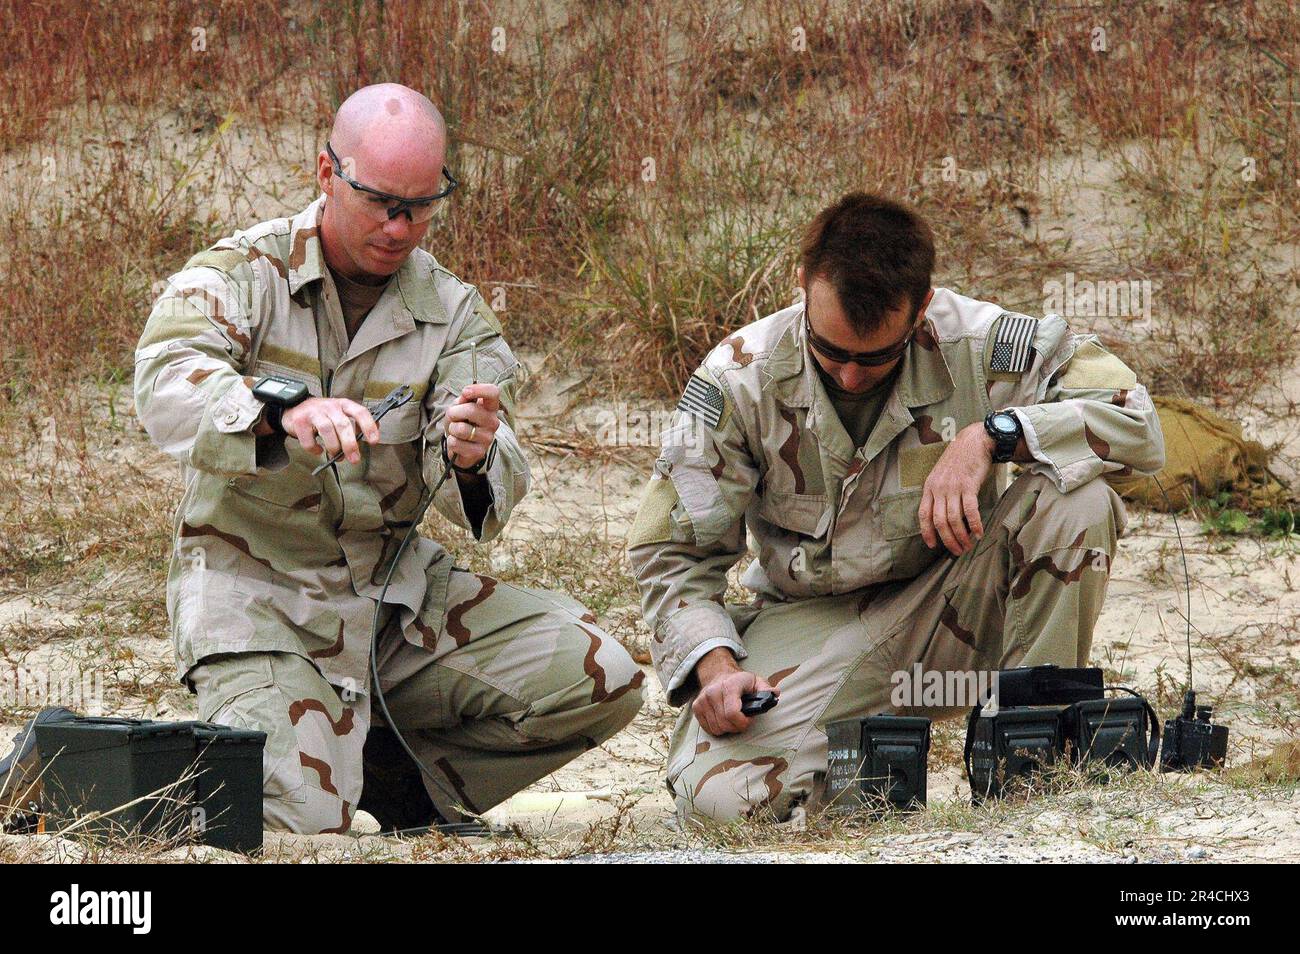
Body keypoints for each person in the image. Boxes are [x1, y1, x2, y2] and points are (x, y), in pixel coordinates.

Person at [132, 83, 643, 833]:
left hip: (391, 603)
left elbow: (491, 451)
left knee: (601, 677)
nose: (401, 227)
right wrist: (281, 412)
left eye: (422, 205)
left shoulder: (453, 309)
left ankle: (396, 784)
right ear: (326, 172)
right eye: (380, 202)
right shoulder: (242, 272)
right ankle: (109, 773)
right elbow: (164, 378)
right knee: (296, 825)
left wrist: (473, 455)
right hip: (258, 598)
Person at [627, 192, 1165, 822]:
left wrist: (990, 436)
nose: (852, 376)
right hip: (812, 621)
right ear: (802, 286)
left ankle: (1033, 751)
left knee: (1078, 498)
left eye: (876, 356)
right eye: (832, 352)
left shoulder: (982, 342)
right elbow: (673, 553)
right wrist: (715, 668)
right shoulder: (736, 379)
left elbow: (1138, 424)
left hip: (958, 602)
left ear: (922, 308)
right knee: (722, 803)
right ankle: (872, 770)